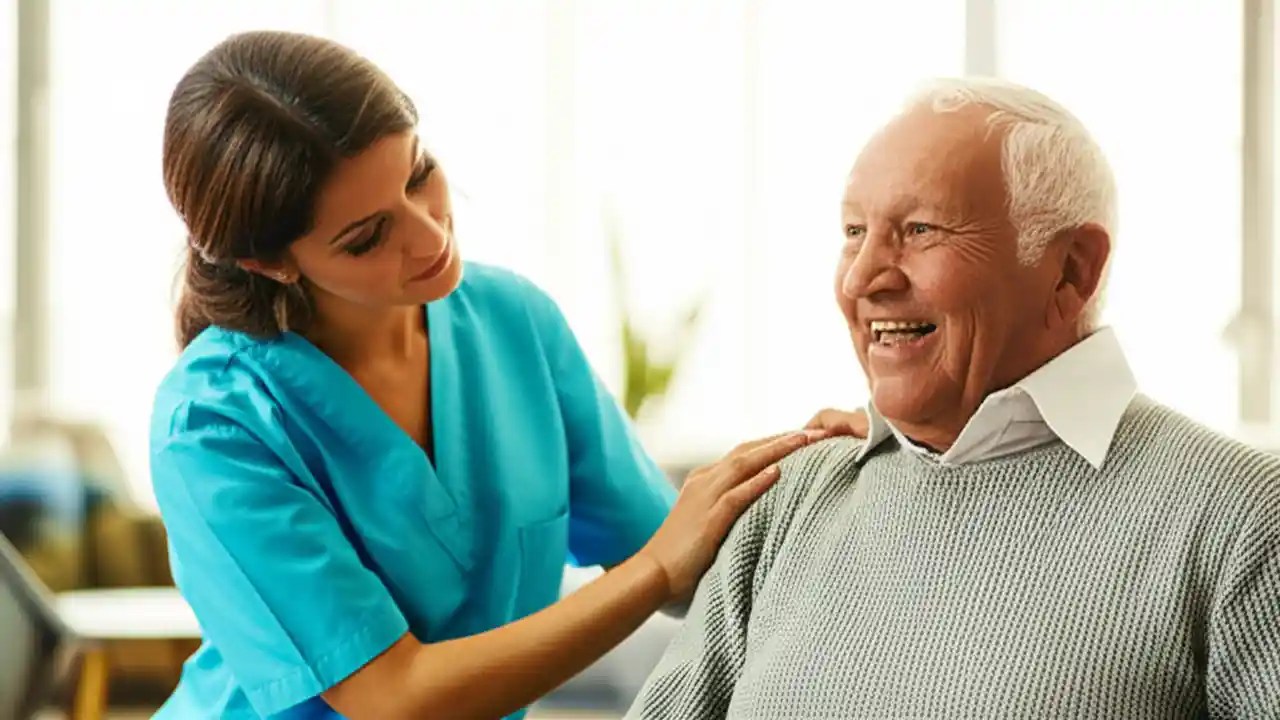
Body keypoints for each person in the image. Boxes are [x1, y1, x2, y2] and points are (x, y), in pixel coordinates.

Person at [149, 30, 868, 720]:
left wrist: (835, 470)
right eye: (368, 236)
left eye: (418, 175)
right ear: (270, 263)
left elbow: (685, 553)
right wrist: (653, 572)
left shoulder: (511, 322)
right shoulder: (213, 428)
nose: (431, 234)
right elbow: (395, 700)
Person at [627, 77, 1280, 719]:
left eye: (919, 230)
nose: (863, 278)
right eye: (854, 231)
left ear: (1072, 270)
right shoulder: (786, 499)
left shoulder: (1243, 517)